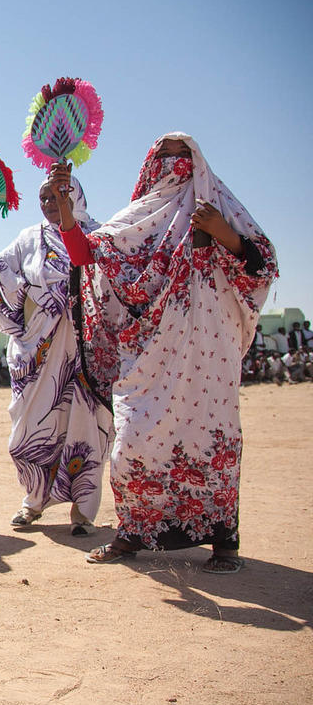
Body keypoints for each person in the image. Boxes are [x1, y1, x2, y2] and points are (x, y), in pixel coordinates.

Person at [59, 134, 277, 573]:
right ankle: (131, 532)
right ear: (150, 164)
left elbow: (263, 265)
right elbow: (85, 252)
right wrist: (65, 201)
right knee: (133, 441)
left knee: (211, 436)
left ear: (197, 162)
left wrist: (222, 234)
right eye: (164, 155)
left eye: (182, 155)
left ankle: (223, 543)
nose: (173, 162)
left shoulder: (221, 207)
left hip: (208, 352)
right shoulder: (137, 219)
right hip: (148, 352)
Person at [0, 171, 113, 535]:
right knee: (26, 436)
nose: (49, 204)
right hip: (37, 356)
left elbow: (108, 290)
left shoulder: (98, 236)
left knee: (84, 429)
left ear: (74, 193)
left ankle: (83, 512)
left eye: (57, 195)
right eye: (44, 198)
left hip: (84, 354)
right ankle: (33, 502)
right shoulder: (29, 239)